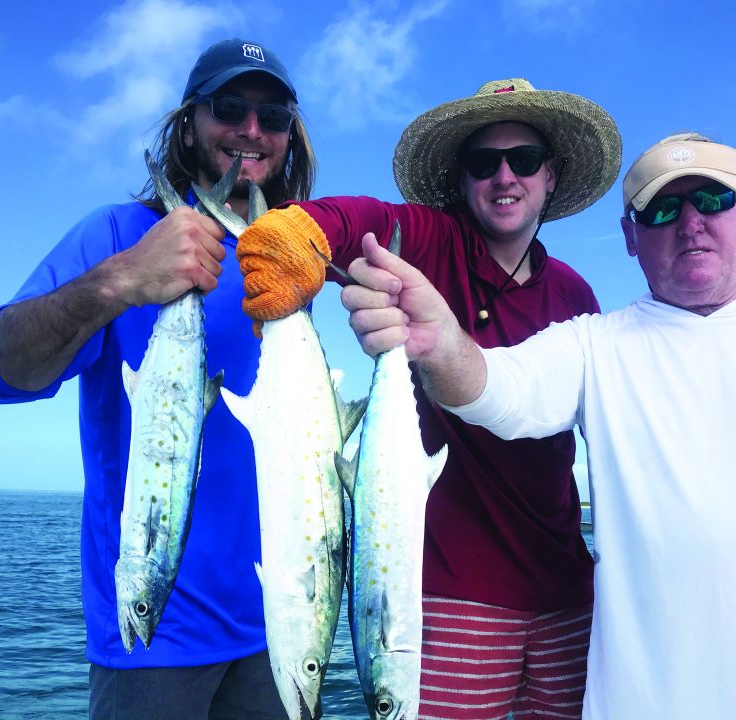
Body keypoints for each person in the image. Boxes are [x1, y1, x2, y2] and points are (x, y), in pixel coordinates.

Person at [334, 133, 736, 719]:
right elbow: (499, 389)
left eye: (711, 200)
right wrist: (441, 342)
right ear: (629, 236)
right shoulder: (595, 342)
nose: (688, 223)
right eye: (659, 209)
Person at [234, 78, 621, 719]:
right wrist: (298, 234)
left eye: (523, 160)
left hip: (567, 598)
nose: (504, 176)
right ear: (462, 179)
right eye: (482, 162)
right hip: (447, 593)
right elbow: (355, 220)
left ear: (550, 176)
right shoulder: (426, 239)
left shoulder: (576, 297)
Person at [0, 38, 317, 720]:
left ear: (289, 137)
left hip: (283, 622)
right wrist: (124, 278)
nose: (251, 130)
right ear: (189, 120)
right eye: (229, 108)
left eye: (272, 117)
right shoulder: (118, 233)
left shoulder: (284, 262)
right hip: (157, 638)